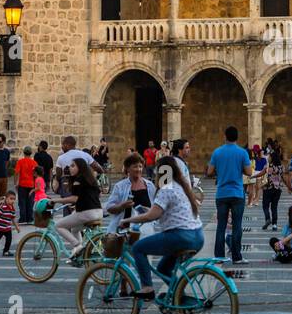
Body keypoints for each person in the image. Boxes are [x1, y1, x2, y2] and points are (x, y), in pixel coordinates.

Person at [121, 157, 204, 302]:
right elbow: (161, 210)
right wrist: (149, 211)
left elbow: (152, 216)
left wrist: (128, 220)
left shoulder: (166, 188)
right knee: (163, 268)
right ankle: (180, 298)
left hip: (180, 236)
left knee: (138, 248)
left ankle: (147, 288)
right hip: (197, 236)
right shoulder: (182, 187)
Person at [207, 126, 252, 264]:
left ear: (225, 136)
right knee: (237, 225)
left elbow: (209, 172)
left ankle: (219, 256)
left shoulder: (217, 152)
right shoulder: (242, 152)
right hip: (237, 193)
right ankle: (237, 256)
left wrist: (221, 172)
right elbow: (249, 172)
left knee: (221, 225)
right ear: (237, 137)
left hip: (222, 193)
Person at [54, 159, 106, 253]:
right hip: (98, 212)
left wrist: (55, 200)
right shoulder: (91, 179)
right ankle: (79, 253)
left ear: (80, 168)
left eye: (73, 166)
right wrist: (80, 203)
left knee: (58, 226)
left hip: (86, 213)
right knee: (75, 229)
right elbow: (96, 195)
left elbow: (74, 198)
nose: (70, 168)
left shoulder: (78, 180)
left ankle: (77, 246)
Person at [102, 154, 156, 234]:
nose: (138, 169)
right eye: (135, 166)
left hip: (146, 230)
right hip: (125, 230)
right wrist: (122, 205)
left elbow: (156, 206)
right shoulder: (120, 186)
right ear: (127, 168)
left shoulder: (149, 185)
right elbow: (109, 208)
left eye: (140, 166)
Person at [261, 147, 285, 230]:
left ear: (272, 158)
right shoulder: (281, 167)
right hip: (278, 189)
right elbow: (283, 177)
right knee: (274, 207)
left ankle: (268, 219)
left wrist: (252, 176)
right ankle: (274, 225)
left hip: (268, 188)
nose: (268, 158)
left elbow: (262, 173)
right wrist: (289, 186)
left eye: (270, 157)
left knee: (265, 206)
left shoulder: (268, 166)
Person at [15, 147, 38, 223]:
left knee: (22, 202)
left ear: (24, 153)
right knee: (30, 202)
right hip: (31, 185)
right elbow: (36, 175)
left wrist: (16, 183)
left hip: (22, 184)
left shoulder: (20, 162)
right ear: (31, 153)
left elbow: (17, 173)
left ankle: (23, 218)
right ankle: (30, 218)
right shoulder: (34, 163)